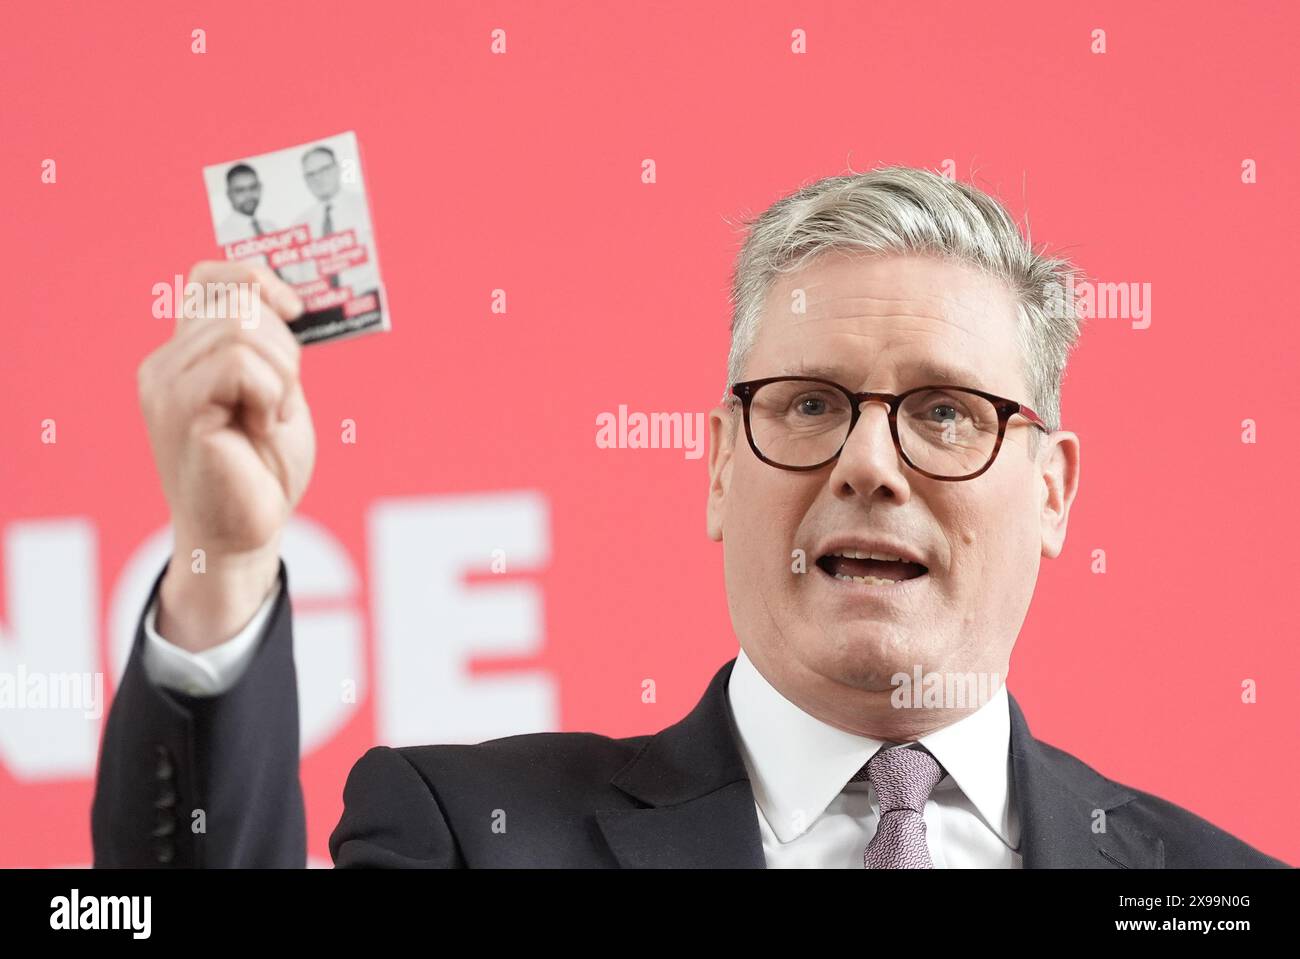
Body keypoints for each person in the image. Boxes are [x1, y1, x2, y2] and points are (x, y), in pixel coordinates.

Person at [92, 166, 1289, 868]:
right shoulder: (471, 835)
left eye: (944, 411)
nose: (868, 462)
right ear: (718, 469)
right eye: (809, 402)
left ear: (1051, 489)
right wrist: (227, 561)